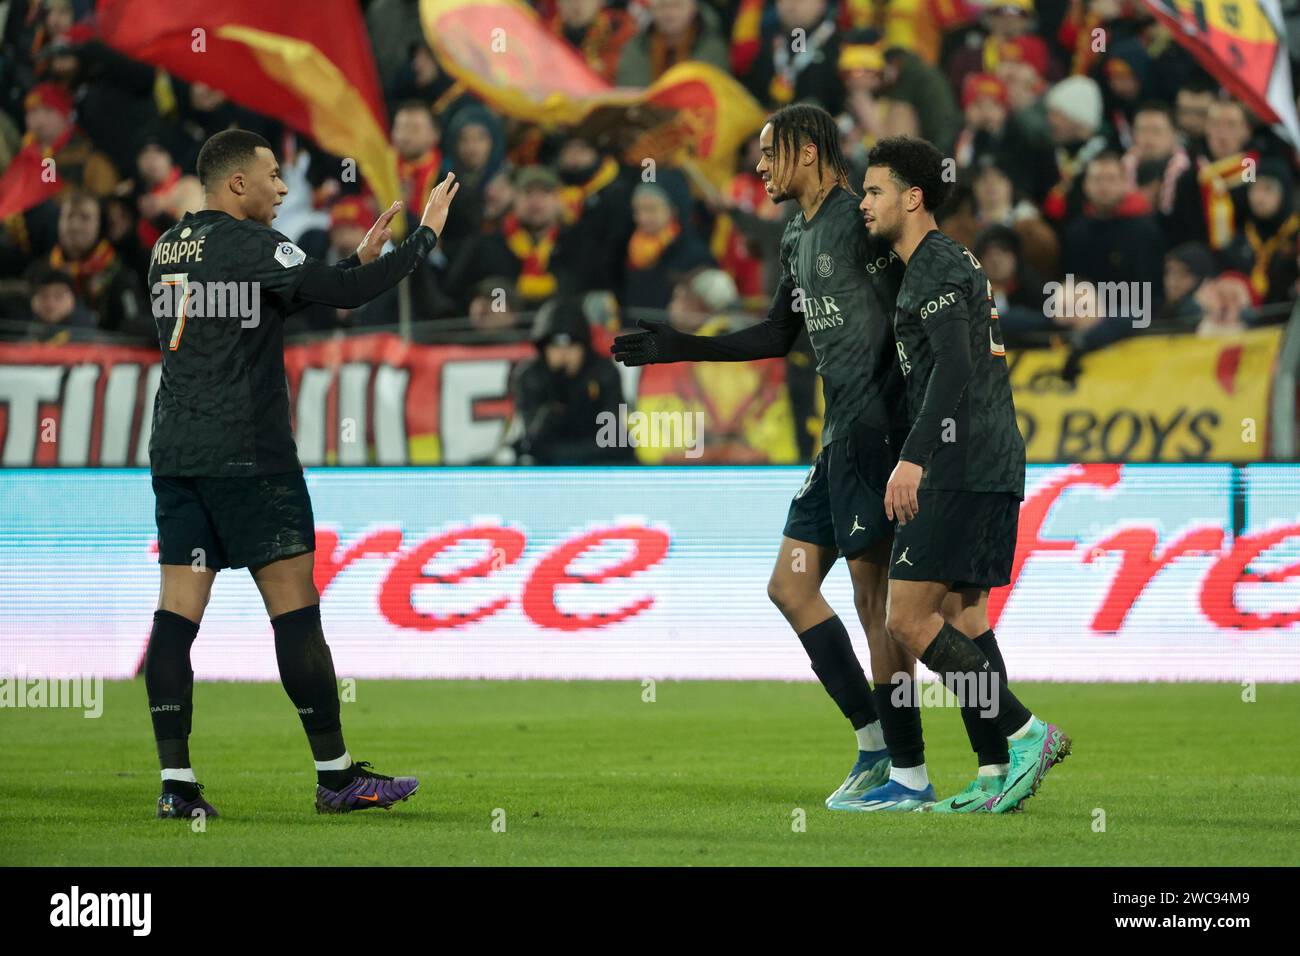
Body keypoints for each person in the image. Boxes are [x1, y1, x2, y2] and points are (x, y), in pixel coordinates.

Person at [613, 104, 923, 812]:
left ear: (808, 150)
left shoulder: (861, 221)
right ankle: (875, 743)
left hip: (875, 435)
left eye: (768, 153)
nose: (758, 167)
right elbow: (778, 335)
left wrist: (917, 422)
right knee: (790, 586)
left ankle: (910, 773)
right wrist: (678, 344)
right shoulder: (795, 235)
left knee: (877, 607)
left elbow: (919, 301)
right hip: (837, 436)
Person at [143, 129, 459, 819]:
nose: (284, 189)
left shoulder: (170, 247)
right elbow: (346, 295)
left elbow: (264, 302)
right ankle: (336, 775)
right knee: (295, 609)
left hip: (175, 453)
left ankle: (177, 784)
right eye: (273, 176)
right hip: (250, 457)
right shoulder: (252, 244)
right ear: (236, 185)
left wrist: (350, 260)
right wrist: (422, 240)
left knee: (175, 617)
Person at [860, 135, 1070, 813]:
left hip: (962, 462)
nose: (864, 204)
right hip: (987, 456)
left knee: (907, 618)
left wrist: (914, 457)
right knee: (965, 615)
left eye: (873, 191)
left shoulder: (936, 266)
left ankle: (1026, 731)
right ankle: (993, 768)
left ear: (912, 198)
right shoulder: (939, 264)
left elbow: (954, 366)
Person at [511, 296, 634, 465]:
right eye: (555, 346)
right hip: (546, 468)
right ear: (543, 348)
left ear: (584, 347)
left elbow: (613, 439)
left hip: (598, 463)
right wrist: (554, 408)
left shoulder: (604, 372)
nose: (564, 354)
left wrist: (561, 455)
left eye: (571, 346)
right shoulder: (531, 376)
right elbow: (531, 439)